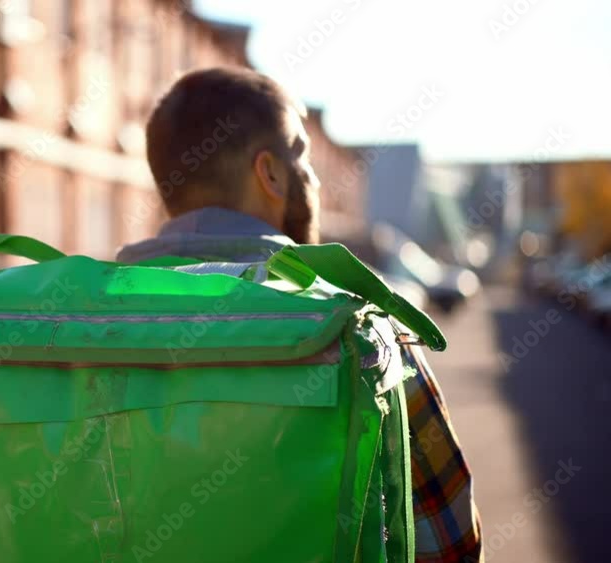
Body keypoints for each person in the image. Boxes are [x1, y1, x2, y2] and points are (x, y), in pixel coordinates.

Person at [117, 67, 483, 563]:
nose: (312, 179)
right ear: (269, 173)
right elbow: (451, 546)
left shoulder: (70, 329)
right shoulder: (358, 328)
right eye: (302, 157)